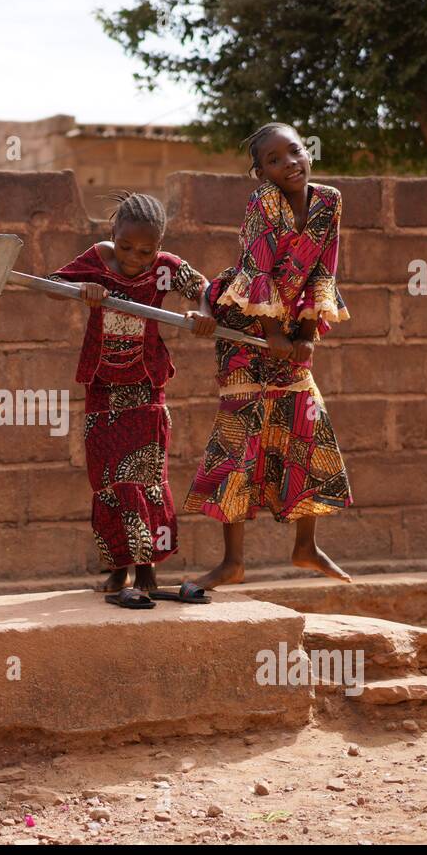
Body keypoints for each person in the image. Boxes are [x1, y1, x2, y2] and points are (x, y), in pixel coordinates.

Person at [183, 123, 354, 586]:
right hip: (244, 327)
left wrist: (305, 332)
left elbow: (324, 266)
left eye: (294, 151)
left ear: (308, 152)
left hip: (288, 325)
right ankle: (233, 562)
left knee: (308, 421)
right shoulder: (263, 203)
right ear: (261, 172)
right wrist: (274, 330)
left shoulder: (329, 201)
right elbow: (256, 266)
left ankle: (306, 546)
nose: (288, 163)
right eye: (274, 160)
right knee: (241, 435)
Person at [47, 192, 212, 608]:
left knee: (147, 479)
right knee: (107, 481)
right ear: (111, 234)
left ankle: (148, 573)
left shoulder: (165, 268)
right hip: (103, 386)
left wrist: (202, 313)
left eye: (146, 249)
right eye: (126, 246)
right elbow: (53, 286)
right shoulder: (98, 259)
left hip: (146, 384)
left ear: (158, 245)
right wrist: (80, 289)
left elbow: (203, 289)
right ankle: (117, 569)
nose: (136, 257)